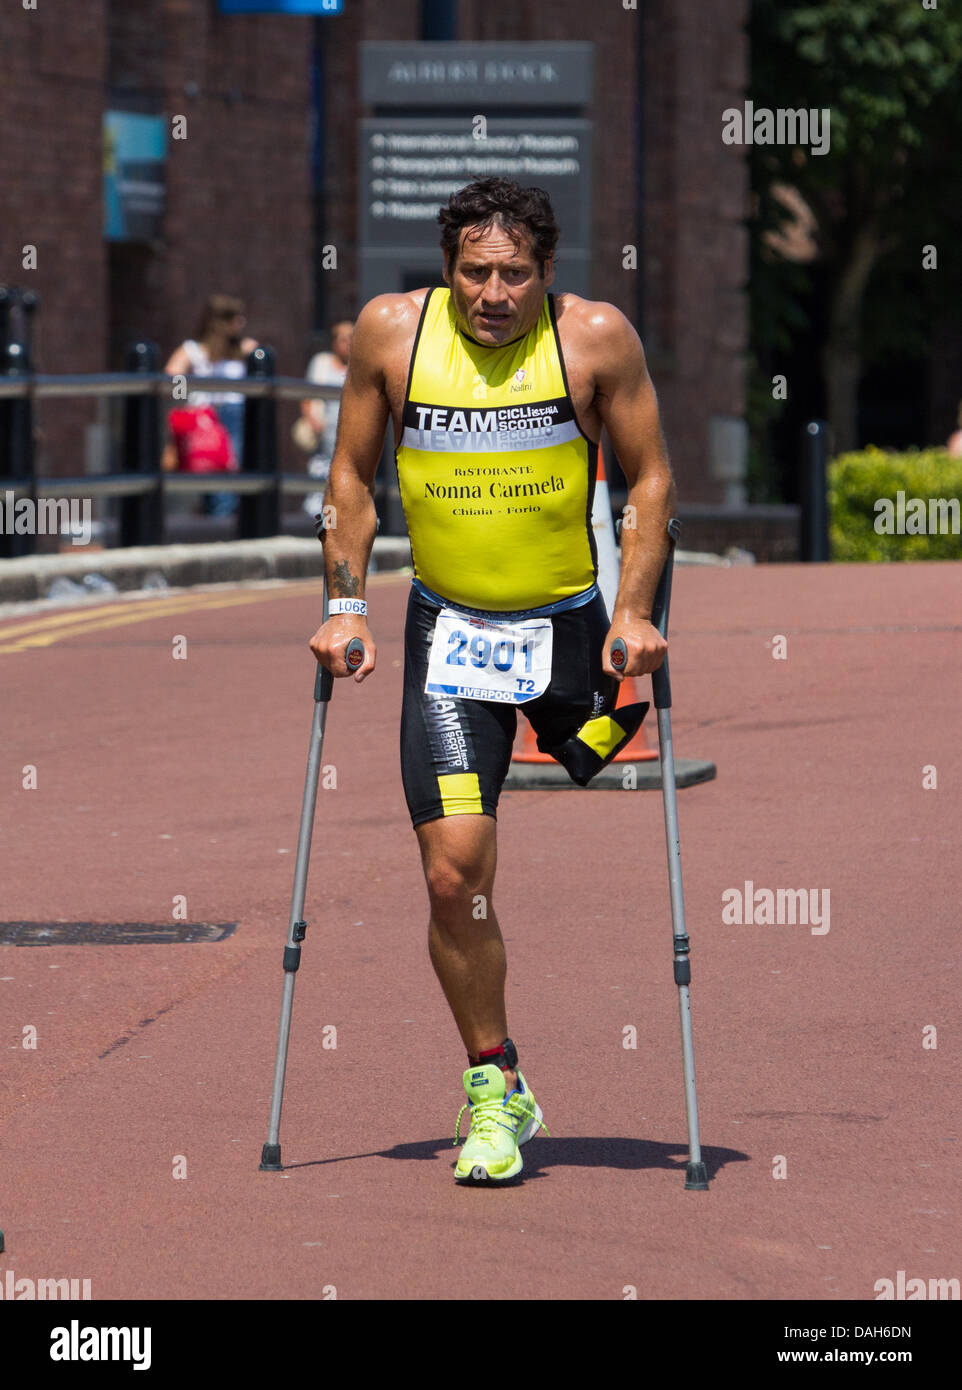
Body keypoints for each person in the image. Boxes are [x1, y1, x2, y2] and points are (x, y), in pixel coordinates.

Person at [309, 177, 675, 1185]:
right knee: (451, 869)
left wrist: (637, 610)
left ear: (546, 273)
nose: (492, 292)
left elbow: (647, 477)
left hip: (566, 633)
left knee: (612, 755)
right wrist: (345, 602)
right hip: (448, 637)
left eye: (514, 272)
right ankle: (492, 1082)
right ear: (445, 269)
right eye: (474, 270)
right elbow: (349, 472)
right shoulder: (388, 335)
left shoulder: (594, 339)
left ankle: (585, 734)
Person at [164, 295, 258, 516]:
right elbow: (171, 375)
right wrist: (188, 398)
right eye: (235, 318)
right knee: (209, 468)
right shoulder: (194, 350)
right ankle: (219, 522)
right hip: (206, 418)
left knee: (232, 470)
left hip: (237, 415)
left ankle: (221, 518)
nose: (241, 323)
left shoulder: (244, 348)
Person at [299, 320, 354, 520]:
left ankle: (337, 525)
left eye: (352, 338)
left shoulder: (360, 366)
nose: (348, 343)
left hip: (349, 439)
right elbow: (308, 396)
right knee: (319, 487)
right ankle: (321, 529)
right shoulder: (321, 363)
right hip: (324, 439)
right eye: (343, 338)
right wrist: (312, 420)